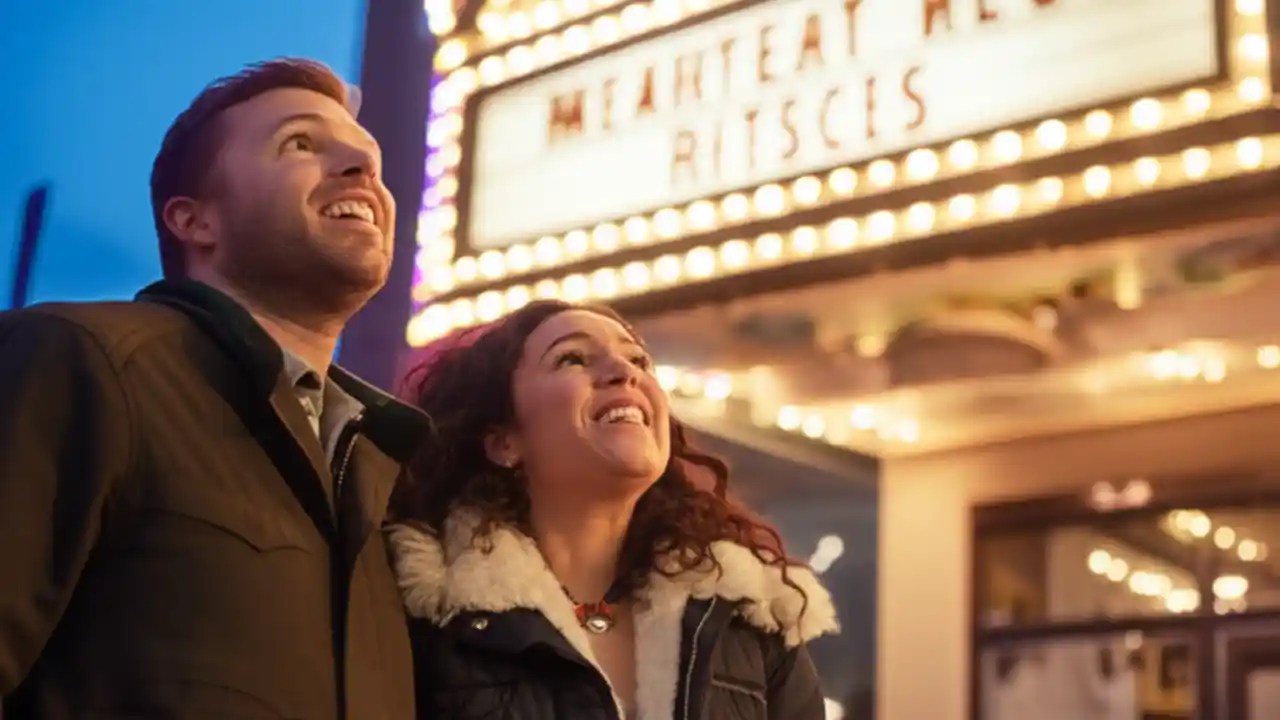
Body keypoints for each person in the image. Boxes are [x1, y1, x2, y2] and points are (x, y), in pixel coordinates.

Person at [0, 58, 428, 718]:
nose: (362, 169)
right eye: (301, 143)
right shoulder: (80, 358)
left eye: (369, 157)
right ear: (194, 221)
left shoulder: (381, 477)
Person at [386, 300, 839, 719]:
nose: (624, 371)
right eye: (572, 359)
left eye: (639, 360)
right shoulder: (425, 615)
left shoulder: (750, 617)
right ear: (504, 441)